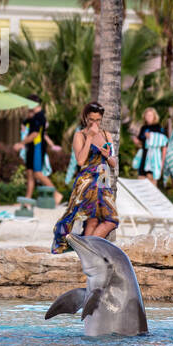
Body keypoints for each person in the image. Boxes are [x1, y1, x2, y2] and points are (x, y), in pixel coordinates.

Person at [52, 102, 118, 255]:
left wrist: (108, 156)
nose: (95, 123)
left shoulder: (106, 134)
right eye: (91, 120)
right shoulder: (80, 135)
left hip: (103, 180)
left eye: (98, 120)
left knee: (111, 220)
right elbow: (80, 161)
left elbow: (113, 162)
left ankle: (84, 249)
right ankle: (86, 254)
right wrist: (89, 137)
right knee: (92, 219)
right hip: (87, 181)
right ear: (85, 118)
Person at [15, 101, 62, 205]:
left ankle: (56, 194)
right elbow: (26, 124)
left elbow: (35, 134)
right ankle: (27, 201)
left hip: (37, 148)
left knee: (37, 173)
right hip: (30, 148)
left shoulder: (40, 116)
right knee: (30, 174)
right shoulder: (33, 117)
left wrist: (21, 144)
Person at [130, 108, 168, 183]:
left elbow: (164, 144)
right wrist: (137, 142)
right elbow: (142, 144)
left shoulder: (158, 128)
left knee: (151, 183)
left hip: (153, 158)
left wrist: (162, 162)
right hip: (143, 157)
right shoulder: (143, 128)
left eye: (150, 115)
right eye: (147, 115)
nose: (148, 117)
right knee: (140, 180)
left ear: (154, 116)